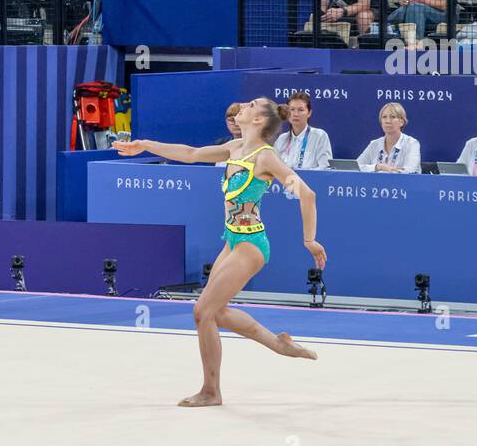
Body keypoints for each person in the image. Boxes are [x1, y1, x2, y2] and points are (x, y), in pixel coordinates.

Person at [116, 96, 325, 407]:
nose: (242, 105)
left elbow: (306, 194)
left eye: (251, 105)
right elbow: (190, 154)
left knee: (203, 311)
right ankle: (278, 344)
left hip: (251, 244)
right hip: (232, 239)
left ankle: (211, 391)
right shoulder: (234, 147)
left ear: (258, 120)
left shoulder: (265, 157)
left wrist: (310, 240)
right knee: (217, 312)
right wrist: (146, 144)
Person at [273, 91, 332, 171]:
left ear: (309, 113)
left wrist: (303, 174)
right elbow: (274, 167)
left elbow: (325, 167)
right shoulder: (281, 139)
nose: (295, 114)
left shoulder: (319, 136)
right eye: (292, 109)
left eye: (301, 110)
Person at [357, 103, 421, 173]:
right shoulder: (374, 144)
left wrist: (382, 172)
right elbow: (356, 167)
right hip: (376, 184)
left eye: (393, 117)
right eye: (384, 117)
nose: (387, 121)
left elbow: (409, 171)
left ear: (401, 122)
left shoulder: (411, 143)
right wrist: (377, 167)